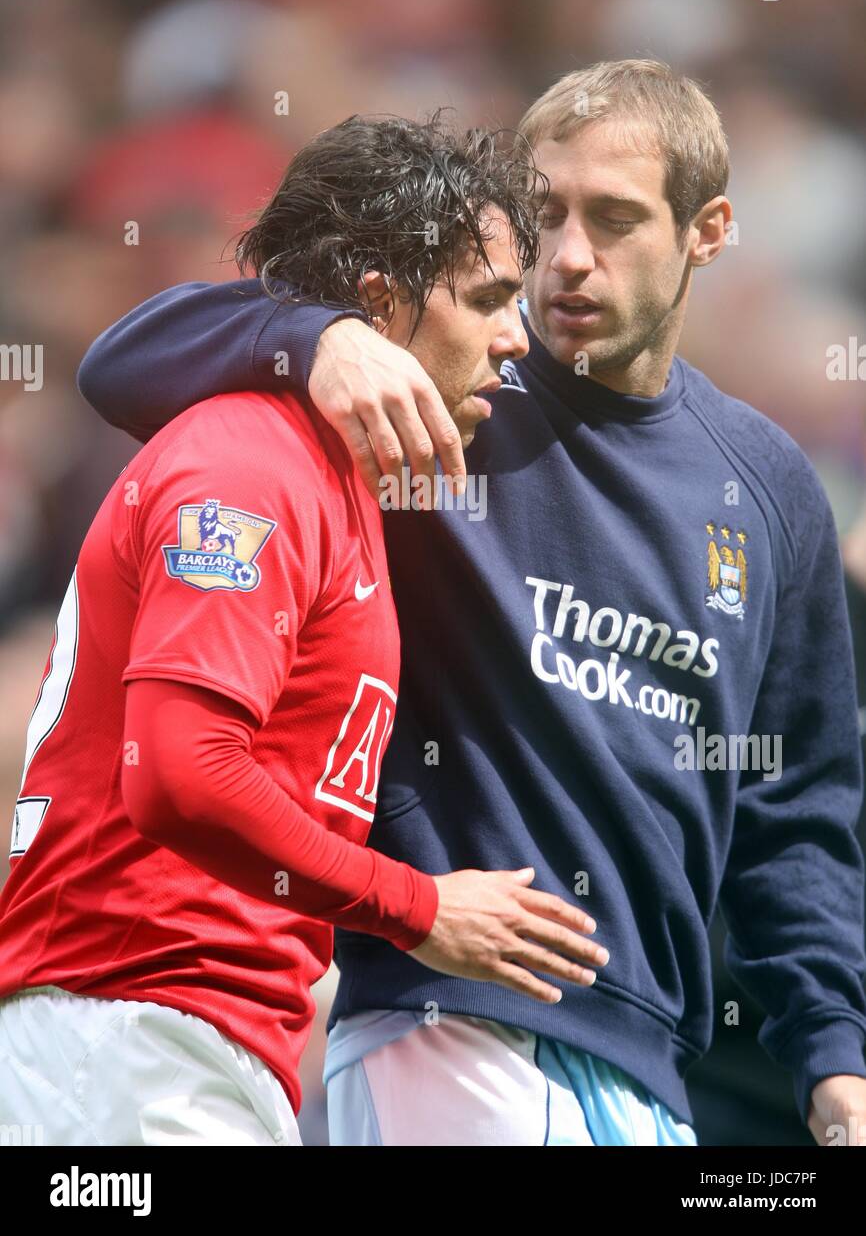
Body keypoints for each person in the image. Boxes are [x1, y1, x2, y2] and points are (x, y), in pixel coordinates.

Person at [78, 60, 866, 1148]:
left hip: (655, 1063)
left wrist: (832, 1052)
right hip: (443, 1014)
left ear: (709, 229)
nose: (568, 258)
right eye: (543, 217)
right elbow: (121, 362)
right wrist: (314, 337)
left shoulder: (768, 487)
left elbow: (791, 808)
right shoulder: (448, 393)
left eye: (616, 219)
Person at [0, 114, 606, 1147]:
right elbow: (181, 771)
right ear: (379, 304)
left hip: (191, 1040)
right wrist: (418, 908)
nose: (515, 338)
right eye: (487, 299)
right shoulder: (248, 464)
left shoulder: (339, 487)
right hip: (123, 1032)